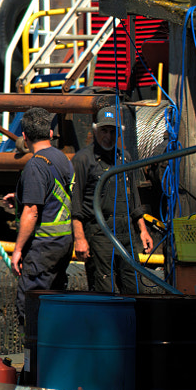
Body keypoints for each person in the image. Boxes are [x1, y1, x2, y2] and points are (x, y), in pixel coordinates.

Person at [9, 108, 75, 384]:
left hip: (43, 247)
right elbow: (53, 195)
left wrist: (18, 249)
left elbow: (32, 213)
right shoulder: (61, 159)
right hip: (62, 244)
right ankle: (55, 367)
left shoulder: (36, 164)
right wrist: (21, 197)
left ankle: (34, 374)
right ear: (50, 133)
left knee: (32, 307)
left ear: (24, 136)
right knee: (54, 304)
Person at [73, 102, 154, 295]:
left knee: (134, 289)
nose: (108, 136)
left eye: (112, 131)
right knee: (104, 291)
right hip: (99, 234)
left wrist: (142, 230)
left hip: (126, 233)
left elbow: (133, 197)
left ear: (119, 133)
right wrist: (79, 238)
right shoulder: (83, 160)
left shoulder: (124, 158)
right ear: (95, 131)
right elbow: (75, 204)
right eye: (104, 130)